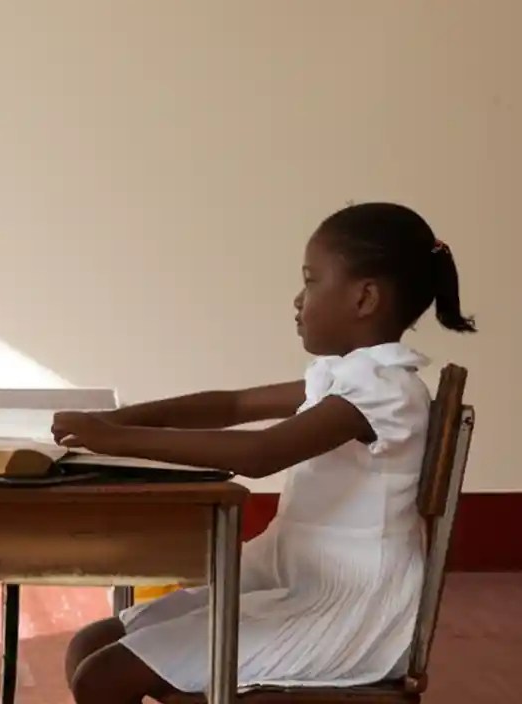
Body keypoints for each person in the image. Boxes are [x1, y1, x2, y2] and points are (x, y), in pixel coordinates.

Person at [52, 202, 477, 704]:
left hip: (345, 609)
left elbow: (260, 452)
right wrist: (120, 419)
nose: (298, 300)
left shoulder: (385, 389)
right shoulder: (343, 375)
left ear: (364, 298)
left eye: (311, 281)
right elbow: (232, 405)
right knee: (92, 644)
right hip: (295, 571)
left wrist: (115, 440)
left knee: (104, 676)